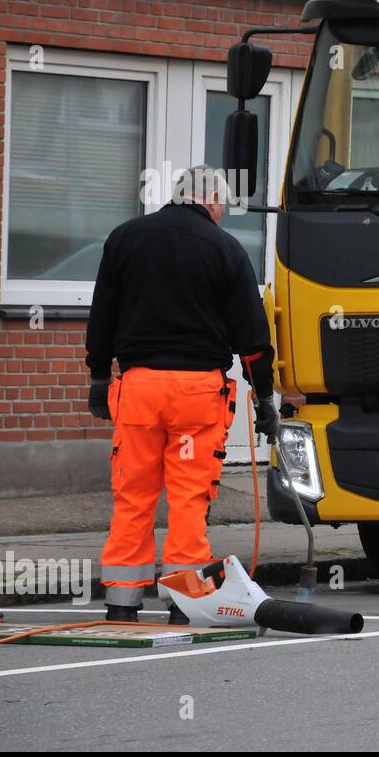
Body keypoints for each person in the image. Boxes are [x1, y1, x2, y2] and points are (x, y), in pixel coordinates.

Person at [86, 166, 278, 623]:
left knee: (133, 493)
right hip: (196, 392)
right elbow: (251, 336)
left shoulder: (125, 239)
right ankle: (182, 602)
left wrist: (98, 377)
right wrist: (265, 395)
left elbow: (103, 315)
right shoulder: (225, 248)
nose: (224, 214)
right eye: (224, 205)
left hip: (138, 389)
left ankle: (121, 604)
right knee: (190, 498)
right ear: (211, 199)